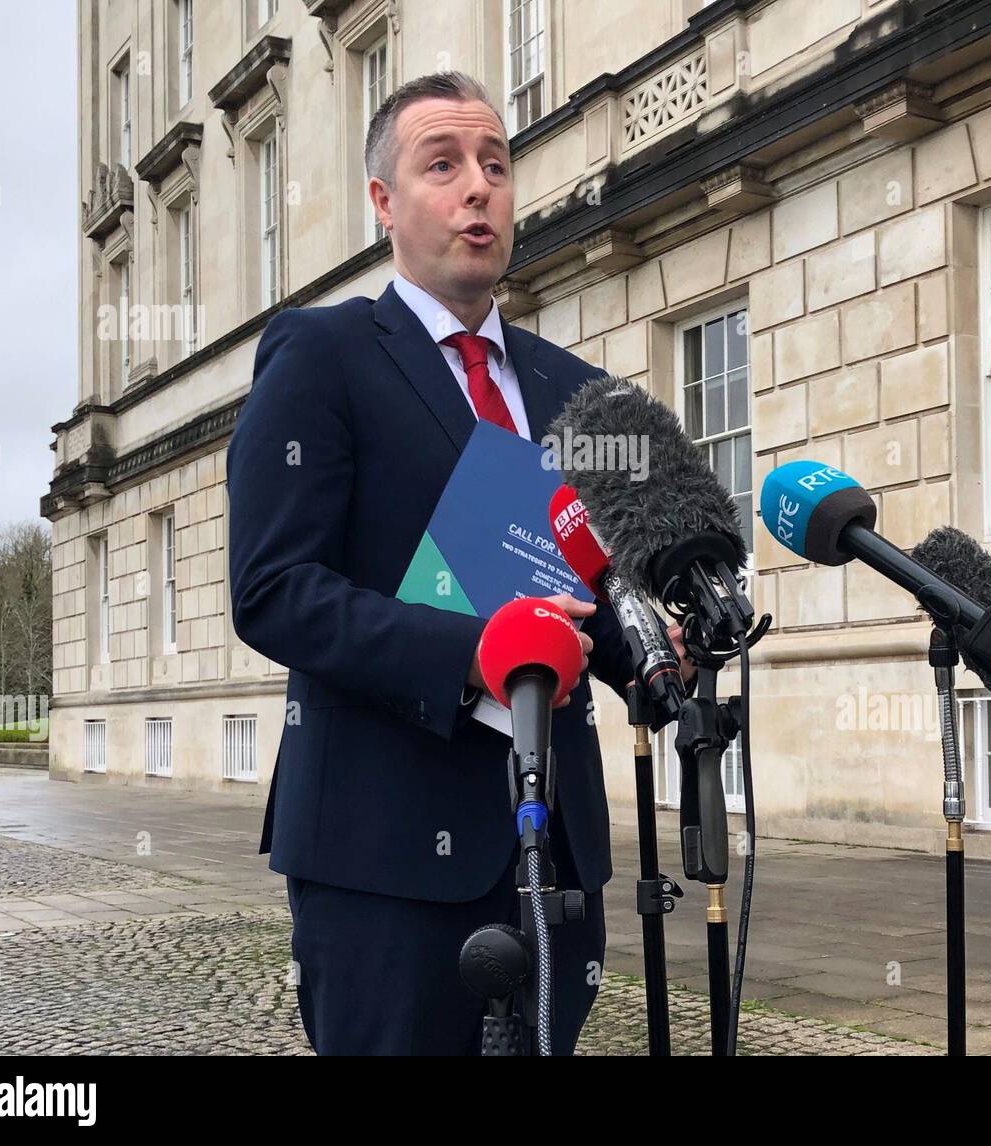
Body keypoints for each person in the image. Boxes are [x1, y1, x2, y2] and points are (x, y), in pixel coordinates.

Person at [226, 71, 691, 1055]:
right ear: (384, 204)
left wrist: (651, 648)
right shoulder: (323, 353)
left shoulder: (575, 386)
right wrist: (471, 651)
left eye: (495, 164)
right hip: (384, 856)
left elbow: (585, 593)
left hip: (557, 854)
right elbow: (275, 591)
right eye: (443, 165)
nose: (479, 187)